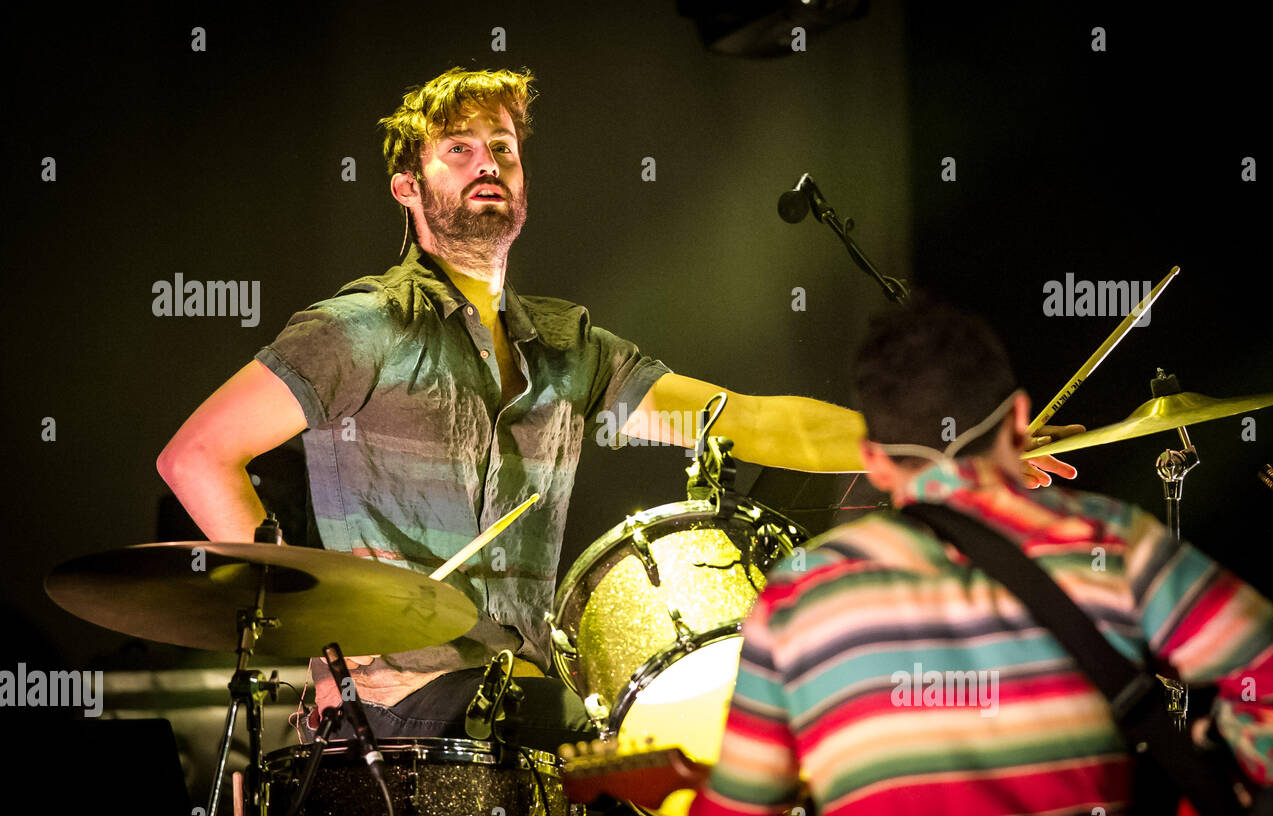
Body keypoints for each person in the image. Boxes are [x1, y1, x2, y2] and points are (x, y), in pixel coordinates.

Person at [156, 68, 1078, 751]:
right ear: (408, 189)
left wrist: (952, 448)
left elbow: (749, 420)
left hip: (522, 694)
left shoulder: (571, 345)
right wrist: (312, 619)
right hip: (392, 707)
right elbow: (196, 456)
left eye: (504, 150)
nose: (489, 165)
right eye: (459, 150)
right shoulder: (355, 328)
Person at [686, 296, 1273, 816]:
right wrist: (1240, 761)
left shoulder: (799, 595)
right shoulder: (1110, 543)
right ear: (1019, 420)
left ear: (872, 460)